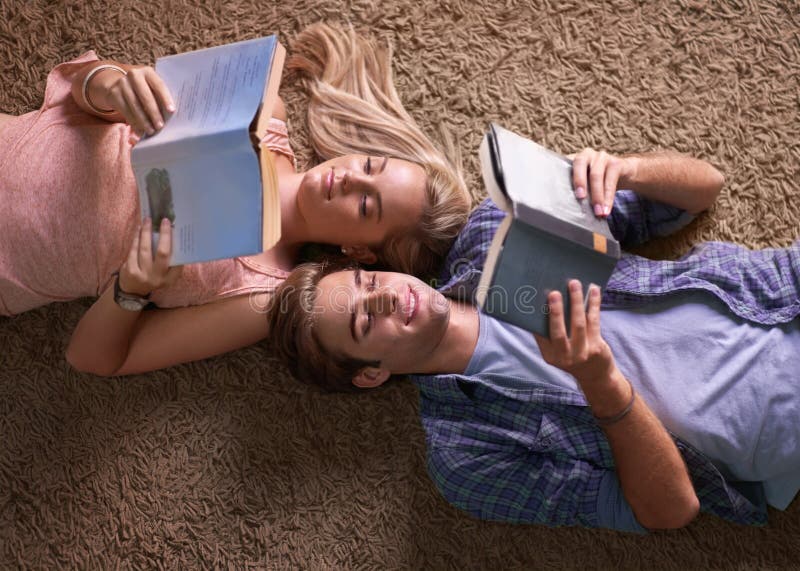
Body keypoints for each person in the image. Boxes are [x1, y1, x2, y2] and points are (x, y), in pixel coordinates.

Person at [265, 148, 800, 532]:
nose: (385, 298)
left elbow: (704, 186)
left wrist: (627, 169)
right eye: (363, 322)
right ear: (372, 372)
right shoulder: (466, 459)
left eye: (368, 282)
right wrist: (601, 381)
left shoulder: (494, 228)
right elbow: (669, 511)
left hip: (778, 290)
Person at [0, 24, 471, 375]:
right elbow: (79, 96)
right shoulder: (264, 112)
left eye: (367, 207)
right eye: (369, 166)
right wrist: (112, 84)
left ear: (359, 254)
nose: (349, 178)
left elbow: (96, 359)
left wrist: (133, 287)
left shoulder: (261, 297)